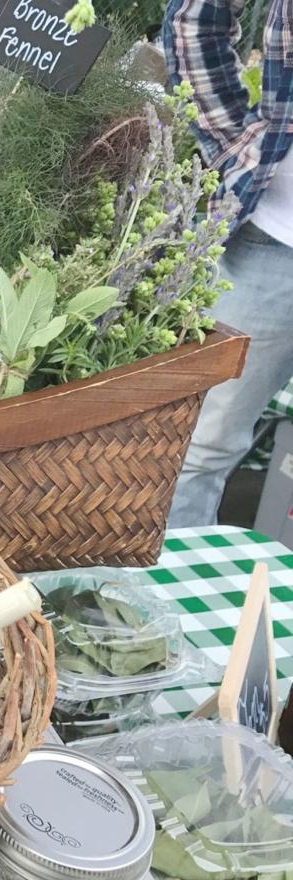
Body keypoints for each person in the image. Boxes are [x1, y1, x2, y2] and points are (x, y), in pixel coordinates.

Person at [163, 0, 293, 527]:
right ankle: (162, 603)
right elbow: (198, 15)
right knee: (197, 447)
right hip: (275, 239)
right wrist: (236, 141)